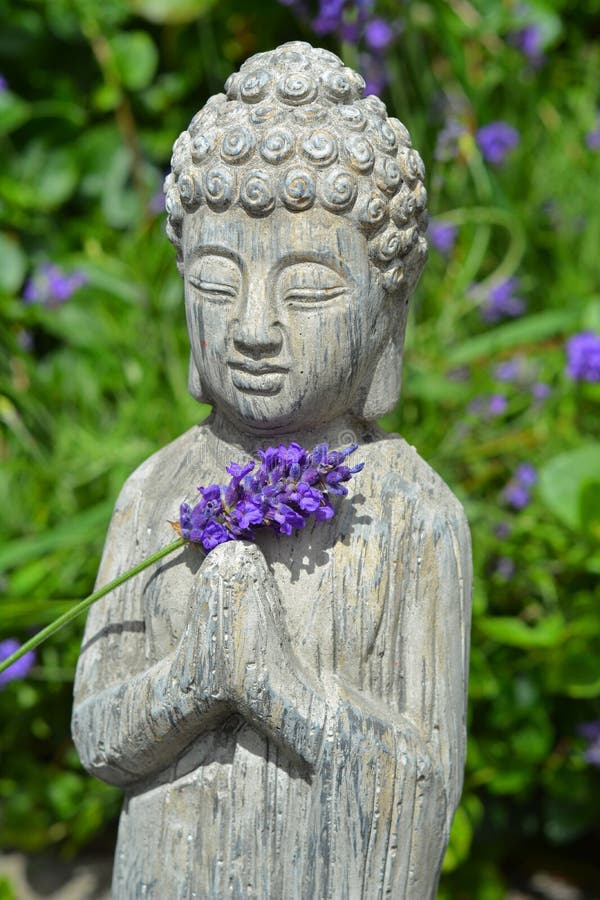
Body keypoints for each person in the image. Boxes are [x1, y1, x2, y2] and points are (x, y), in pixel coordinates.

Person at [72, 41, 471, 899]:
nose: (254, 326)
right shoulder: (157, 489)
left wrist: (274, 685)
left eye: (309, 289)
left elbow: (427, 781)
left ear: (387, 310)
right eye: (217, 283)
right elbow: (96, 735)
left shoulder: (412, 513)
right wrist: (194, 678)